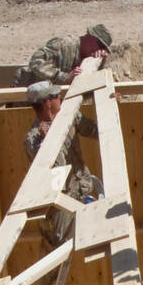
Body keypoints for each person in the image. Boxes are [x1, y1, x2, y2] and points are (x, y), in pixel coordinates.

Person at [23, 81, 99, 252]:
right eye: (55, 96)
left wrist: (110, 108)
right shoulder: (33, 140)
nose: (60, 98)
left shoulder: (69, 117)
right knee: (55, 257)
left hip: (83, 191)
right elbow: (58, 172)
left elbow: (95, 130)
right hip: (60, 207)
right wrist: (50, 142)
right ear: (47, 103)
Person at [13, 25, 112, 89]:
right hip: (28, 88)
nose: (99, 50)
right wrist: (64, 77)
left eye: (103, 48)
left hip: (51, 100)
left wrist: (100, 63)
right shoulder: (65, 44)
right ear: (90, 38)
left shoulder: (90, 59)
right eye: (100, 46)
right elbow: (35, 61)